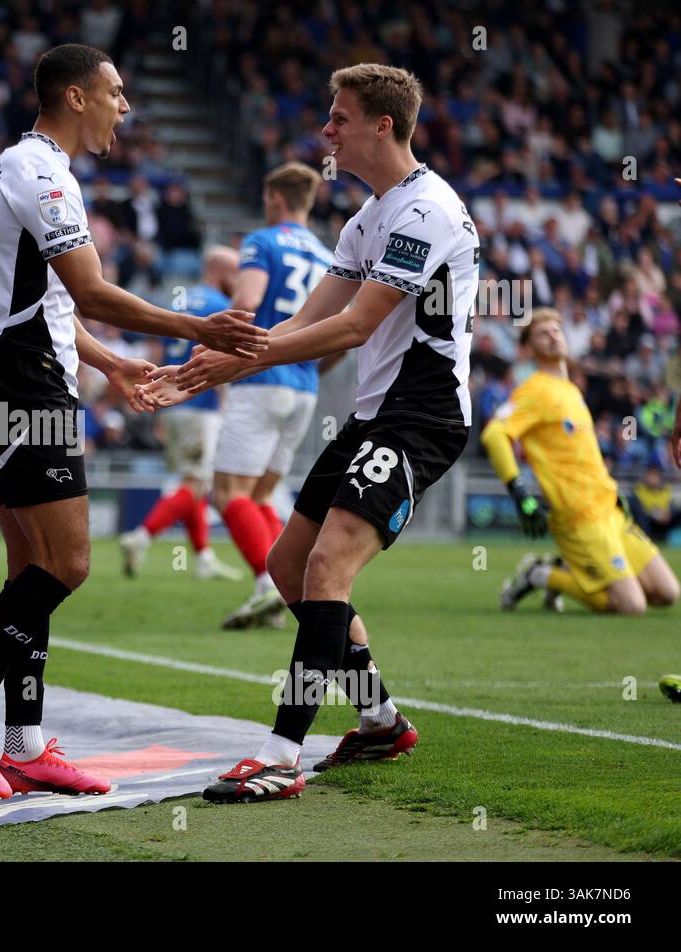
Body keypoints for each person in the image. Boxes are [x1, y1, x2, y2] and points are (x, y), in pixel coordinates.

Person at [0, 43, 264, 799]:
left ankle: (26, 742)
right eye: (115, 91)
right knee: (67, 566)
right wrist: (195, 329)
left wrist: (111, 364)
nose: (125, 106)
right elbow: (92, 288)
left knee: (29, 572)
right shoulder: (39, 170)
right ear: (75, 97)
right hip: (23, 385)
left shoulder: (35, 169)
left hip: (15, 374)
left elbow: (51, 304)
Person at [144, 64, 478, 802]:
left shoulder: (427, 211)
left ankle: (280, 755)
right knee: (288, 566)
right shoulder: (368, 218)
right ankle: (381, 719)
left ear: (381, 125)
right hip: (372, 415)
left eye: (339, 117)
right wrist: (214, 367)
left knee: (327, 571)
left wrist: (235, 360)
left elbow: (355, 326)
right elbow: (297, 324)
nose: (327, 130)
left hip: (420, 416)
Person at [215, 161, 345, 630]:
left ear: (274, 199)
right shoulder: (328, 255)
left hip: (260, 379)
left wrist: (216, 356)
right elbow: (338, 334)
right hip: (304, 386)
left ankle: (267, 584)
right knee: (264, 493)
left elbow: (246, 306)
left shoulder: (261, 242)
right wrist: (310, 366)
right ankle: (287, 586)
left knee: (230, 492)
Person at [481, 309, 679, 614]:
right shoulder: (534, 390)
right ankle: (540, 574)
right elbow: (494, 434)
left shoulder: (572, 389)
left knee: (667, 593)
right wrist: (518, 492)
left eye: (556, 330)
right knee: (632, 605)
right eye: (542, 333)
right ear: (528, 349)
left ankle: (564, 566)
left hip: (610, 509)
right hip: (578, 516)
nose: (553, 336)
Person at [118, 245, 243, 582]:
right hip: (198, 405)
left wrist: (157, 402)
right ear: (219, 271)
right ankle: (141, 536)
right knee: (195, 483)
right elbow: (217, 358)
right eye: (234, 273)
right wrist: (226, 400)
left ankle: (203, 557)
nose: (238, 280)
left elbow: (160, 350)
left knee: (194, 482)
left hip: (171, 401)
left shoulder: (179, 302)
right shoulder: (220, 307)